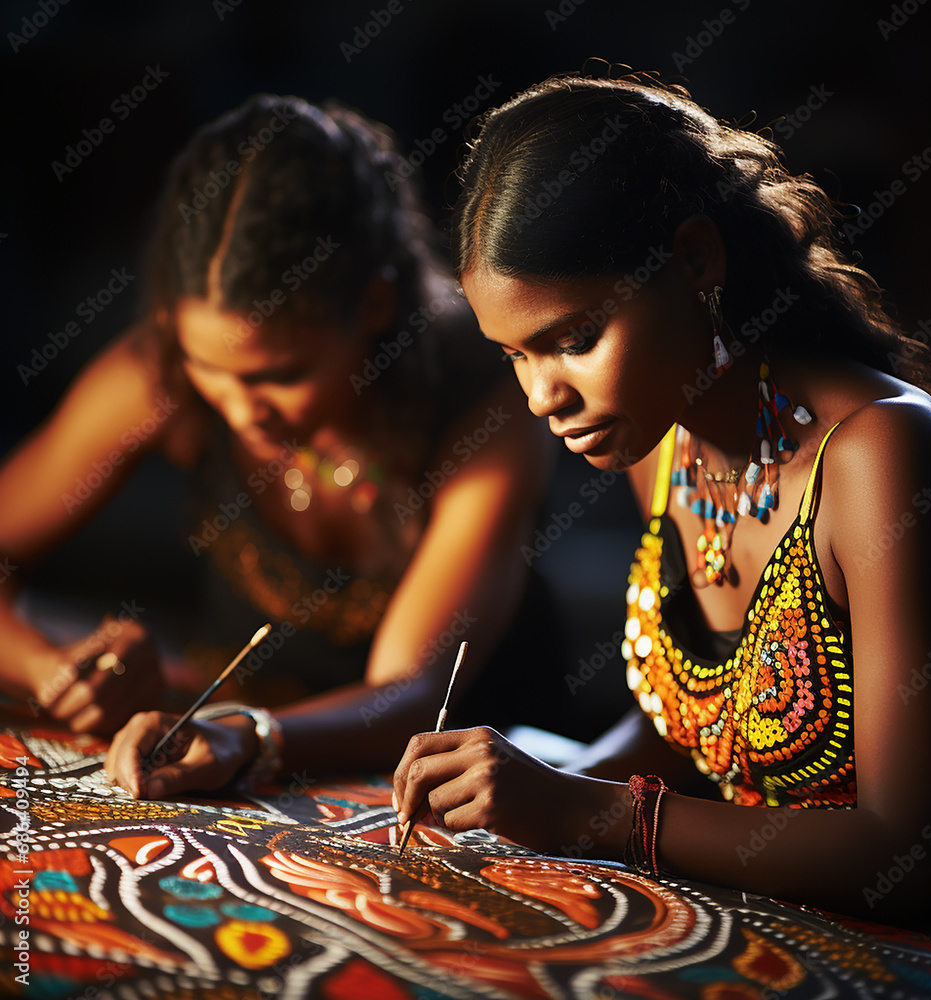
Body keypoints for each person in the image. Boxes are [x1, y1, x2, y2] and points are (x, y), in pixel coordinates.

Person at [391, 71, 931, 935]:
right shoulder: (662, 437)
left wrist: (582, 812)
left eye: (573, 341)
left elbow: (907, 861)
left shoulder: (874, 454)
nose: (542, 397)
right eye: (516, 356)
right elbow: (700, 731)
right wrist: (543, 781)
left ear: (695, 260)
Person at [0, 93, 556, 791]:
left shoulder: (485, 404)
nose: (239, 410)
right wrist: (53, 670)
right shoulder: (160, 378)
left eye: (282, 375)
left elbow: (407, 695)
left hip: (482, 787)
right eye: (209, 366)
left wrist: (246, 736)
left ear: (375, 305)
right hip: (237, 750)